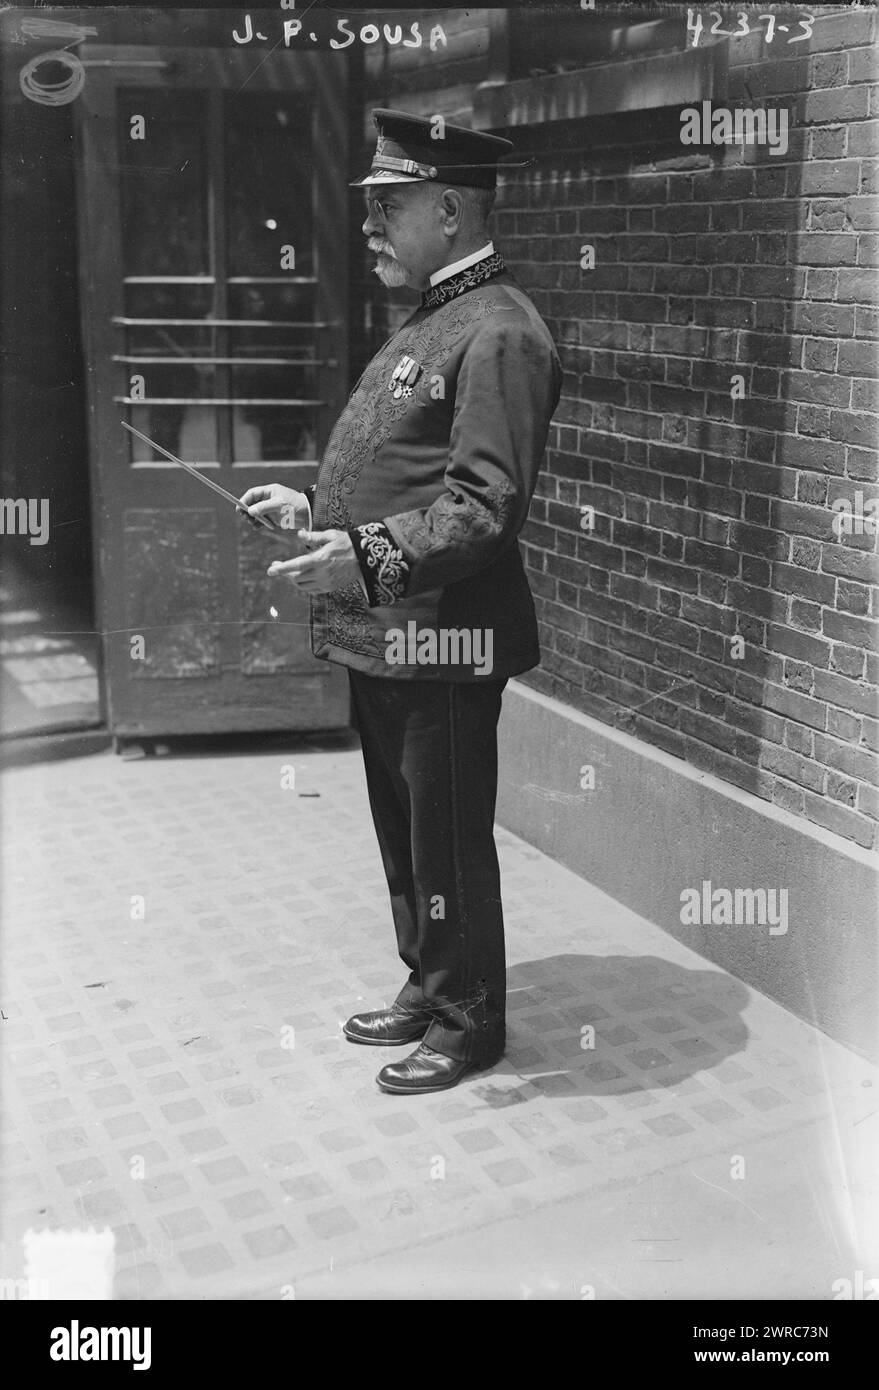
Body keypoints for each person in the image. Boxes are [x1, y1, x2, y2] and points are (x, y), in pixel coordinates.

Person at [240, 108, 561, 1095]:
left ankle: (470, 1023)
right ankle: (430, 981)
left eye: (391, 204)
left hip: (449, 640)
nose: (372, 222)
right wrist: (314, 508)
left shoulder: (500, 330)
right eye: (373, 204)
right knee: (405, 826)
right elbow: (409, 467)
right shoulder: (436, 313)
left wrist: (360, 557)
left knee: (447, 836)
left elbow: (483, 510)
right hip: (395, 635)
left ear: (452, 209)